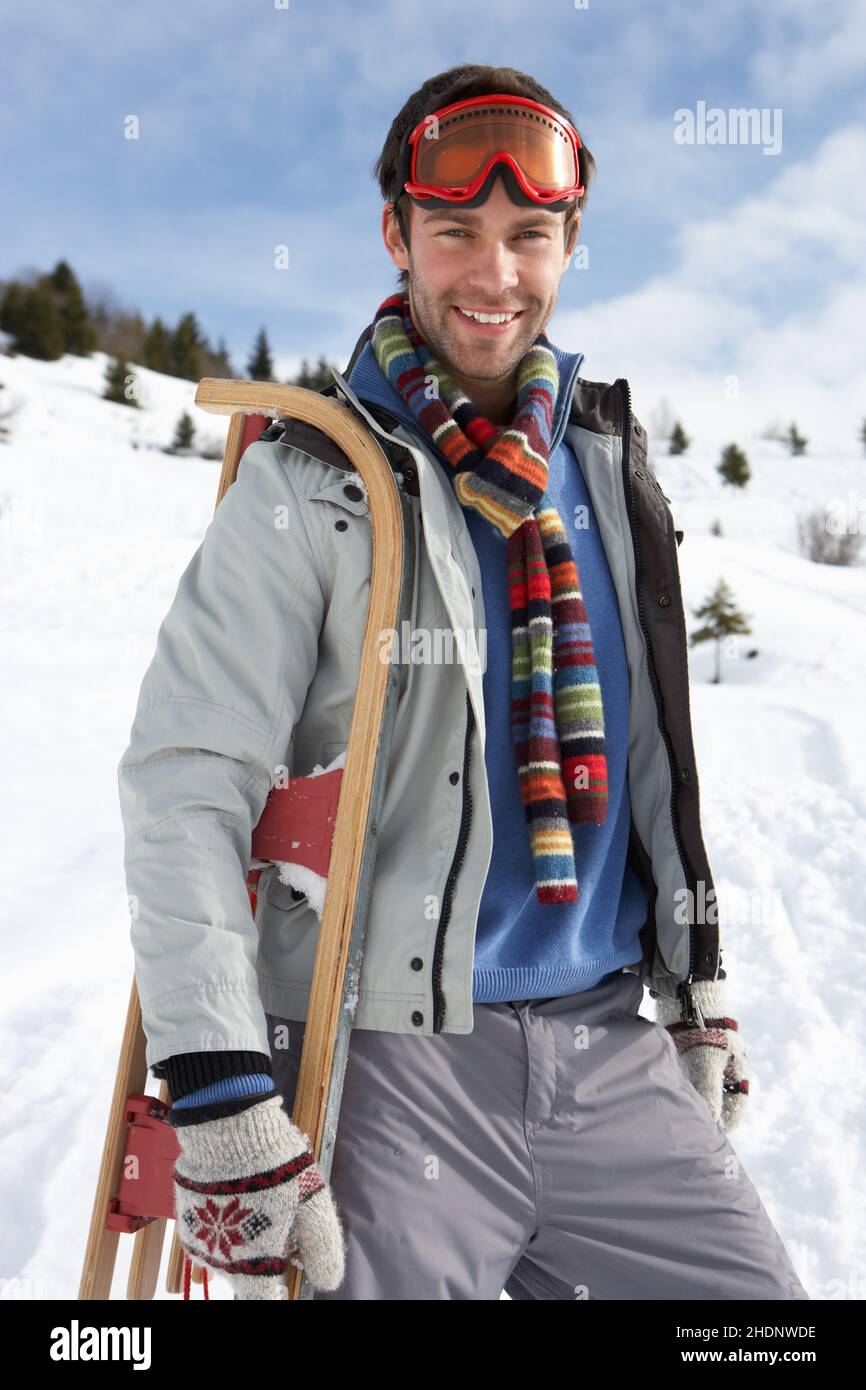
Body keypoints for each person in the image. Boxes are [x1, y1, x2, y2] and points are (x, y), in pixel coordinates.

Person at [118, 63, 809, 1301]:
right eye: (455, 233)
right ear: (397, 236)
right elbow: (186, 780)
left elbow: (657, 767)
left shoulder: (604, 469)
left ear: (568, 242)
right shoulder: (313, 483)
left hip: (609, 1047)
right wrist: (222, 1084)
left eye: (528, 235)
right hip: (392, 1062)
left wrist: (695, 991)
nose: (494, 275)